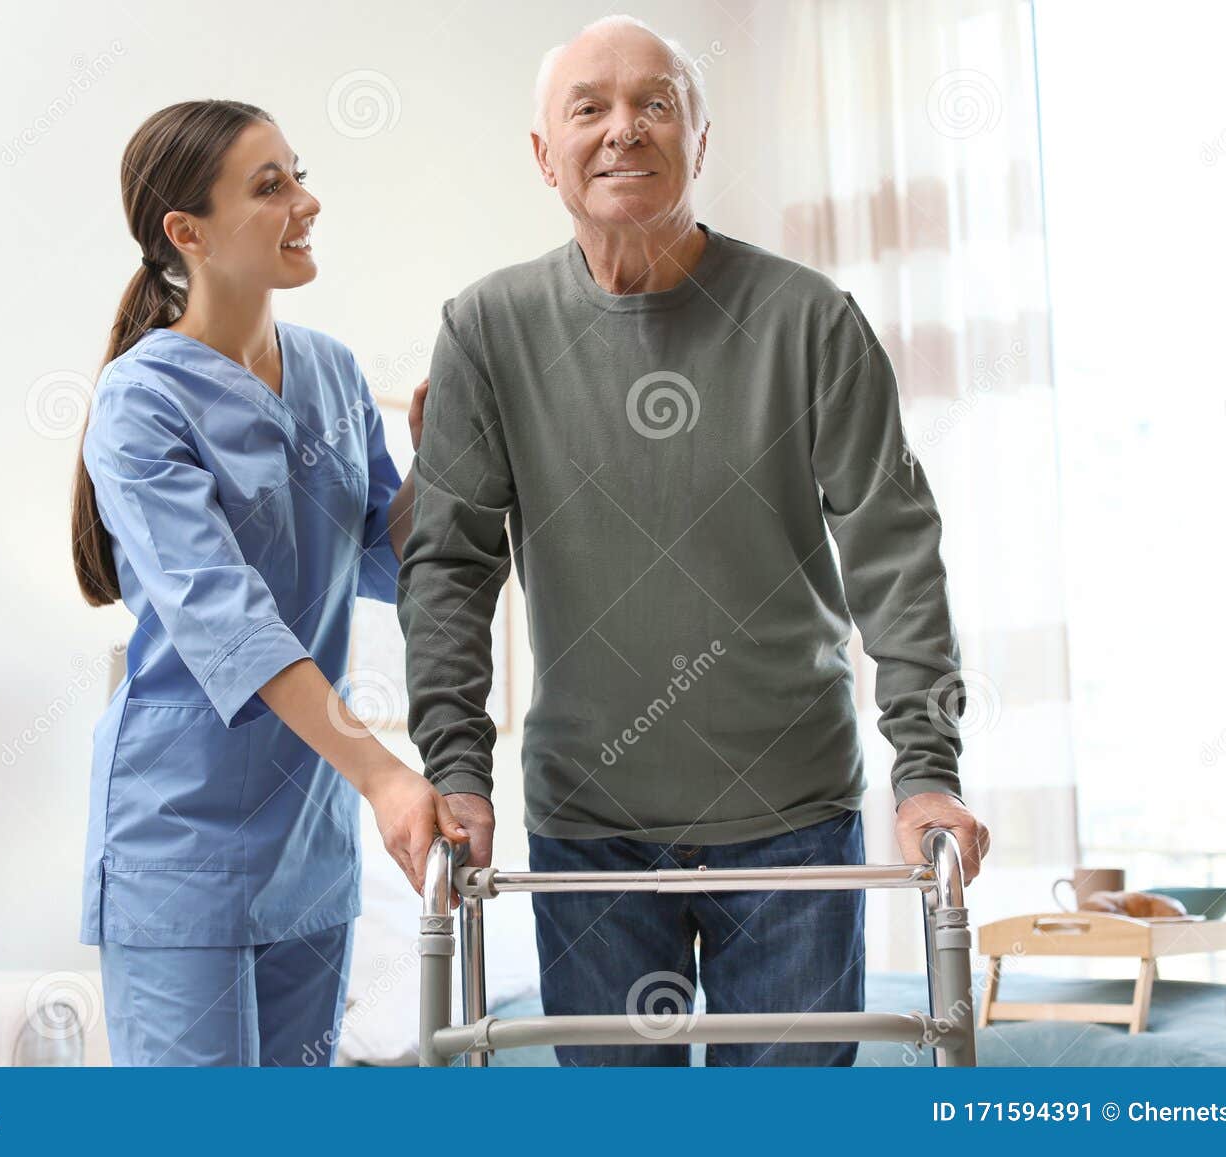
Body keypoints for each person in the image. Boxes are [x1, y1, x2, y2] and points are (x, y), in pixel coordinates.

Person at [398, 17, 991, 1067]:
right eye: (589, 107)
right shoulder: (488, 329)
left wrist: (926, 769)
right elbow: (448, 563)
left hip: (791, 819)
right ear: (544, 153)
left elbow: (893, 550)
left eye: (655, 103)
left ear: (699, 142)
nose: (623, 129)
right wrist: (455, 765)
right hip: (589, 825)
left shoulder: (810, 321)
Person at [70, 99, 465, 1067]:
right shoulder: (142, 399)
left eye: (299, 172)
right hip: (181, 841)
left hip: (309, 840)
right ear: (186, 232)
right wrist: (381, 770)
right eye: (271, 185)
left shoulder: (329, 371)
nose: (307, 200)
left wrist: (435, 462)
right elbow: (226, 619)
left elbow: (383, 558)